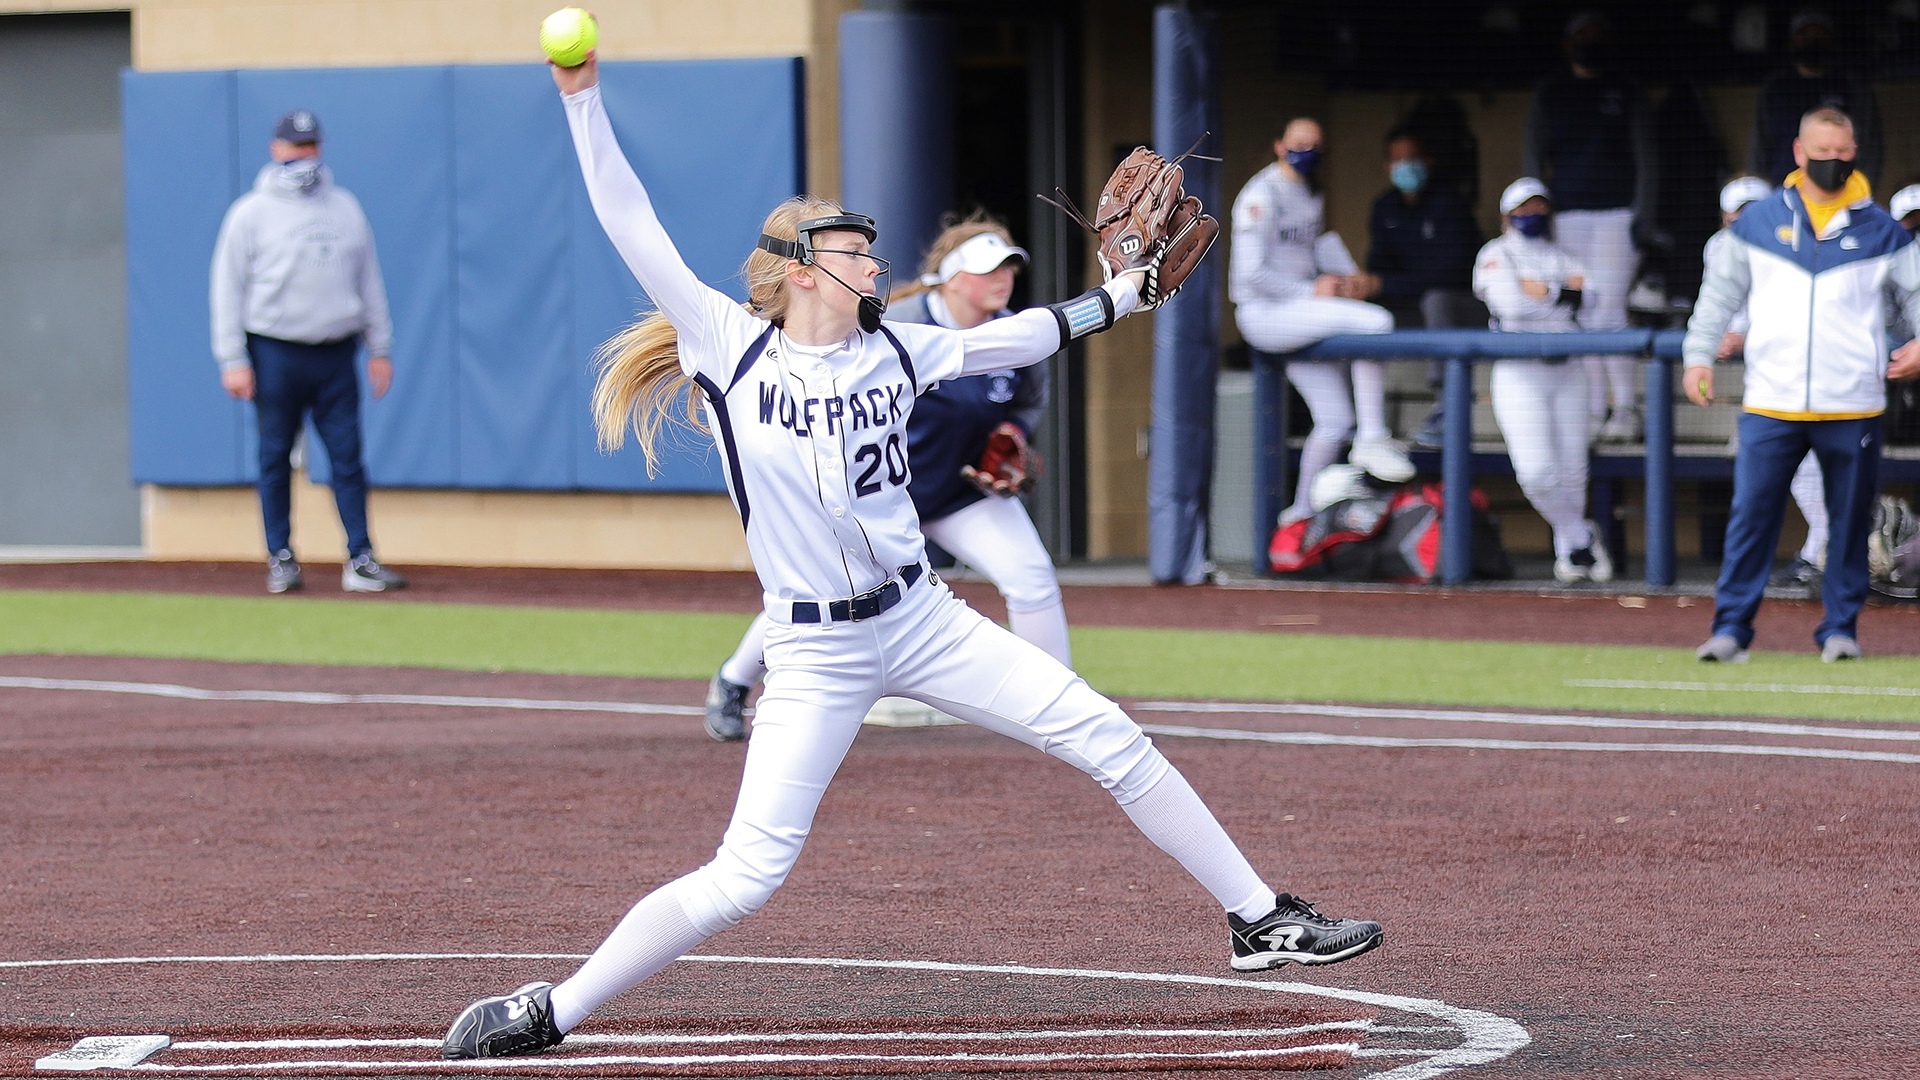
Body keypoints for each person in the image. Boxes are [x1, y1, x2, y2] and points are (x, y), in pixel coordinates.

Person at [439, 49, 1384, 1061]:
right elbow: (628, 217)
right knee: (747, 874)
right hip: (812, 655)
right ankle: (551, 1011)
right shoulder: (726, 341)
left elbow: (1022, 337)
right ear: (801, 267)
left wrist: (1123, 297)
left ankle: (1258, 918)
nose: (876, 263)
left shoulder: (903, 345)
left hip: (923, 619)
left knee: (1107, 733)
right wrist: (582, 101)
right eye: (854, 251)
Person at [703, 216, 1070, 741]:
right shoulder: (891, 326)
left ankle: (1058, 700)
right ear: (951, 278)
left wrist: (1013, 430)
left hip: (958, 491)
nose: (1002, 278)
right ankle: (734, 680)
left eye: (1009, 268)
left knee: (1032, 575)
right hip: (868, 502)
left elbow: (1030, 401)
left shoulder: (1009, 333)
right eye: (988, 269)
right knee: (826, 595)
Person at [1684, 107, 1920, 664]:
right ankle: (1731, 630)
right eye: (1822, 151)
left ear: (1855, 152)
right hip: (1772, 401)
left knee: (1849, 520)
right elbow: (1717, 297)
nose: (1832, 162)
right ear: (1797, 152)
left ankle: (1841, 630)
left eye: (1843, 153)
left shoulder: (1882, 229)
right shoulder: (1759, 221)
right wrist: (1697, 357)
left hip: (1853, 402)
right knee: (1751, 517)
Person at [209, 109, 407, 595]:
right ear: (277, 150)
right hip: (275, 351)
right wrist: (232, 359)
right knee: (275, 456)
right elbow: (227, 289)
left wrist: (379, 347)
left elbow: (369, 280)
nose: (305, 156)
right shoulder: (250, 213)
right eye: (296, 148)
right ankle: (281, 557)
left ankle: (360, 557)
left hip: (336, 352)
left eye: (312, 146)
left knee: (347, 458)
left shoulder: (344, 207)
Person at [1230, 116, 1414, 527]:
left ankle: (1300, 514)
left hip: (1295, 310)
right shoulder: (1261, 195)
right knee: (1376, 323)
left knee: (1333, 420)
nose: (1307, 153)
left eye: (1315, 146)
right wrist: (1311, 291)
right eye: (1298, 144)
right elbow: (1250, 276)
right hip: (1264, 314)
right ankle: (1371, 438)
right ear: (1279, 145)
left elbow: (1308, 255)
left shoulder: (1310, 191)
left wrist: (1342, 280)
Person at [1524, 11, 1658, 443]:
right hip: (1566, 216)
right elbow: (1533, 157)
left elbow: (1647, 159)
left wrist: (1644, 216)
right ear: (1568, 44)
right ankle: (1594, 410)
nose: (1590, 43)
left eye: (1598, 36)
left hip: (1618, 215)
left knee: (1610, 307)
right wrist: (1539, 216)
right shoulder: (1553, 93)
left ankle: (1626, 407)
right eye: (1583, 36)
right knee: (1580, 309)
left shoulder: (1625, 89)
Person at [1473, 178, 1612, 584]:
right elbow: (1509, 306)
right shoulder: (1495, 254)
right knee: (1535, 473)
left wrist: (1544, 292)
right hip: (1519, 373)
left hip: (1568, 371)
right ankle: (1579, 534)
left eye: (1539, 209)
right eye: (1524, 209)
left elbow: (1596, 298)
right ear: (1506, 215)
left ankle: (1571, 553)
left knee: (1573, 472)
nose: (1532, 216)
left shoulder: (1562, 255)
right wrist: (1563, 296)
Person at [1701, 177, 1830, 596]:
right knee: (1776, 469)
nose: (1746, 221)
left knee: (1811, 464)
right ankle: (1818, 552)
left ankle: (1824, 553)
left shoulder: (1801, 238)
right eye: (1737, 214)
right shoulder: (1720, 247)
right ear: (1724, 218)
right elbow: (1721, 304)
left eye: (1755, 210)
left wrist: (1743, 333)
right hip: (1766, 378)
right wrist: (1720, 336)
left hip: (1813, 369)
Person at [1365, 127, 1483, 450]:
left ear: (1428, 162)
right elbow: (1379, 267)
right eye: (1397, 160)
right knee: (1357, 314)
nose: (1405, 167)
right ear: (1387, 166)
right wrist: (1364, 284)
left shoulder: (1450, 204)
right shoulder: (1385, 207)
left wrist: (1388, 283)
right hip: (1408, 304)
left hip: (1460, 306)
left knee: (1436, 300)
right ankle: (1365, 424)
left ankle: (1447, 407)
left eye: (1412, 159)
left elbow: (1450, 273)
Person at [1748, 9, 1881, 188]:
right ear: (1792, 41)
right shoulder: (1775, 87)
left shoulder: (1852, 86)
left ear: (1832, 40)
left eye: (1820, 34)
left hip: (1840, 194)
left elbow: (1870, 146)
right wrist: (1761, 193)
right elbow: (1759, 146)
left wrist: (1861, 194)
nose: (1813, 40)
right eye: (1804, 34)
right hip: (1782, 192)